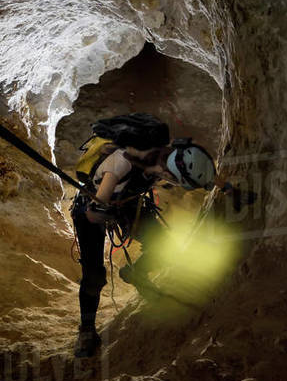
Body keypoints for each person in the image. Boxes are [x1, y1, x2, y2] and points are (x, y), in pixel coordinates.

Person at [71, 139, 230, 358]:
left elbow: (205, 174)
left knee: (165, 247)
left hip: (126, 203)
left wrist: (230, 189)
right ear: (170, 174)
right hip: (92, 207)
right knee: (94, 275)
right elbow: (93, 214)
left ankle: (136, 273)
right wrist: (102, 210)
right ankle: (87, 330)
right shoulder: (121, 163)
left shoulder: (174, 156)